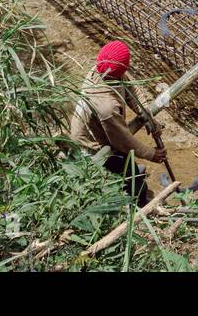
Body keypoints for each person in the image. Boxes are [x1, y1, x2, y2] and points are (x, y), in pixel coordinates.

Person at [69, 41, 165, 204]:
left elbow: (131, 89)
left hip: (105, 130)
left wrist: (147, 116)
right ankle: (139, 206)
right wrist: (151, 154)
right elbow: (121, 141)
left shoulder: (104, 69)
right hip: (91, 147)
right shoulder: (106, 106)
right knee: (131, 173)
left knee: (127, 167)